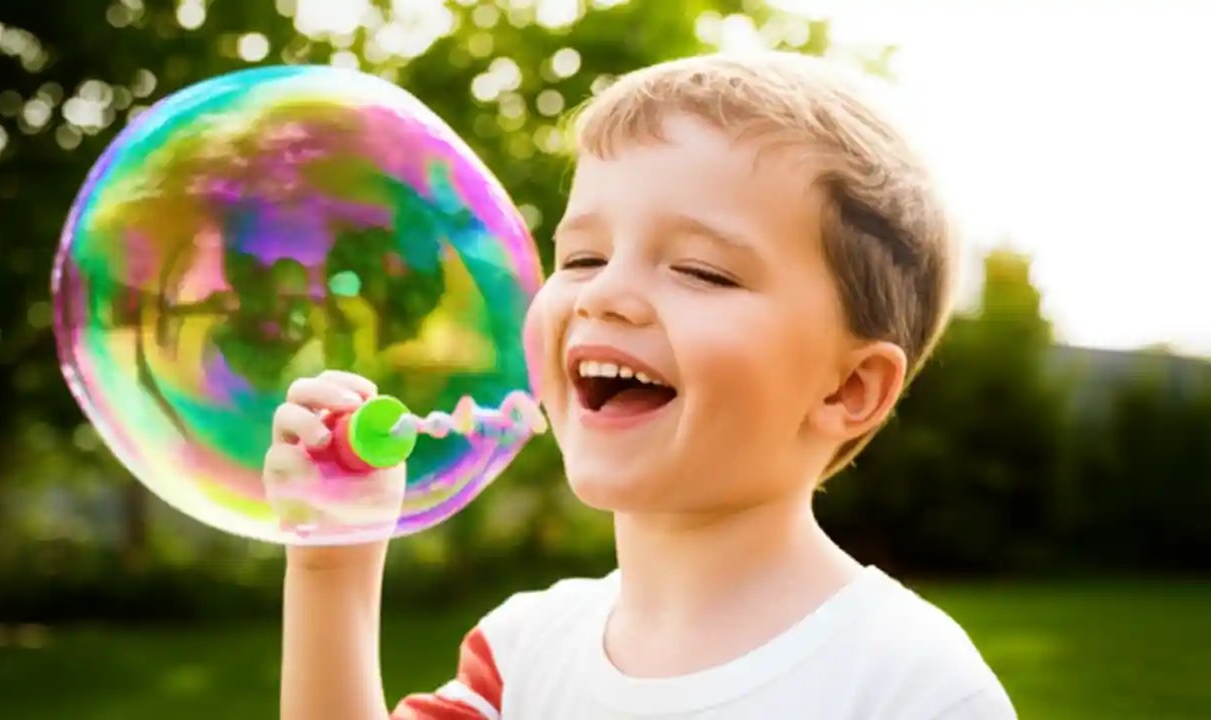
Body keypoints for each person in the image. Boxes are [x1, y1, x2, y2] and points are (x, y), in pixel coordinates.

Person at [266, 51, 1017, 719]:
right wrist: (334, 564)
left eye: (701, 269)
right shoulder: (518, 659)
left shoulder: (910, 688)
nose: (602, 295)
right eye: (583, 258)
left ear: (848, 388)